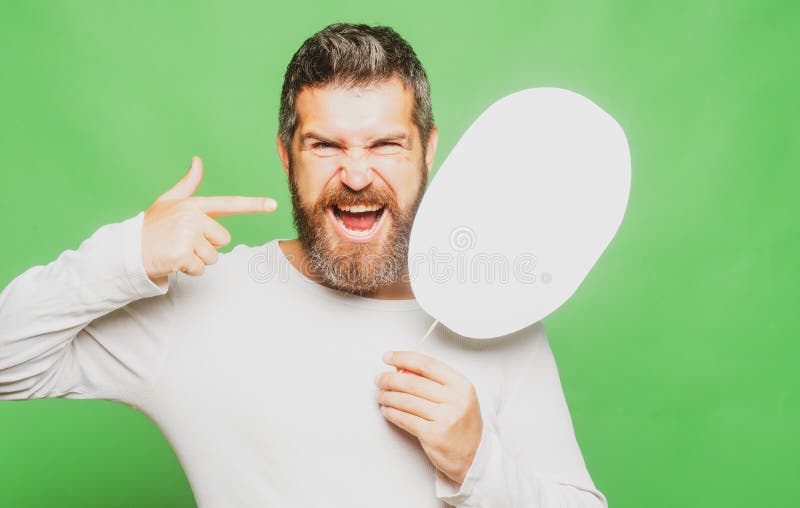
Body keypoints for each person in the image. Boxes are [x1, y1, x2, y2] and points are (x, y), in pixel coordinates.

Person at [0, 22, 607, 508]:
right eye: (326, 145)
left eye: (386, 144)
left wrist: (478, 464)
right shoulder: (200, 303)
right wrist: (127, 254)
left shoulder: (496, 317)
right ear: (287, 158)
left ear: (428, 150)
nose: (358, 173)